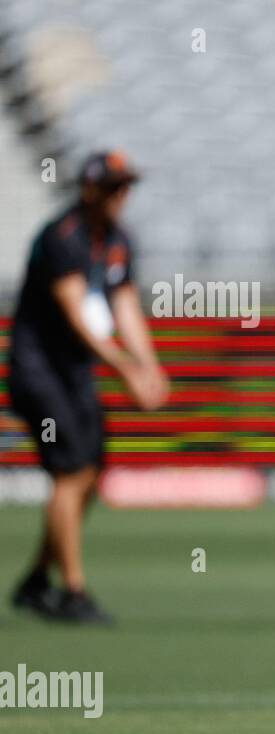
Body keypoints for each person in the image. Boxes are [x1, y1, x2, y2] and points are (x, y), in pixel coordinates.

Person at [7, 150, 169, 624]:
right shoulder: (64, 237)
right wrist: (125, 368)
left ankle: (38, 578)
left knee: (91, 471)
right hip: (38, 372)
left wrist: (149, 367)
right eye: (116, 186)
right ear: (90, 189)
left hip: (73, 375)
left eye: (127, 186)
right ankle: (73, 591)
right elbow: (76, 314)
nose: (124, 195)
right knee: (70, 473)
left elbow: (125, 310)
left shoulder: (116, 240)